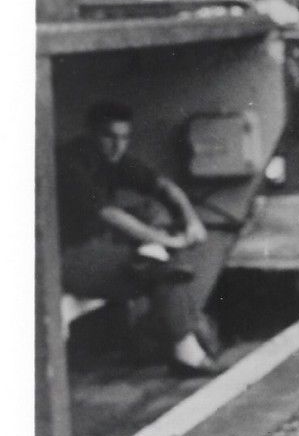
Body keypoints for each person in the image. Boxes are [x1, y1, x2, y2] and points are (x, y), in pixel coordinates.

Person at [55, 102, 222, 378]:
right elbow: (110, 214)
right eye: (109, 137)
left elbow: (164, 186)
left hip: (96, 247)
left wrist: (191, 219)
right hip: (64, 257)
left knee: (153, 223)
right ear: (91, 134)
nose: (117, 146)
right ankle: (187, 349)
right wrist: (164, 240)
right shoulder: (71, 162)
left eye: (124, 138)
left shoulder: (115, 159)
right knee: (157, 264)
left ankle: (182, 337)